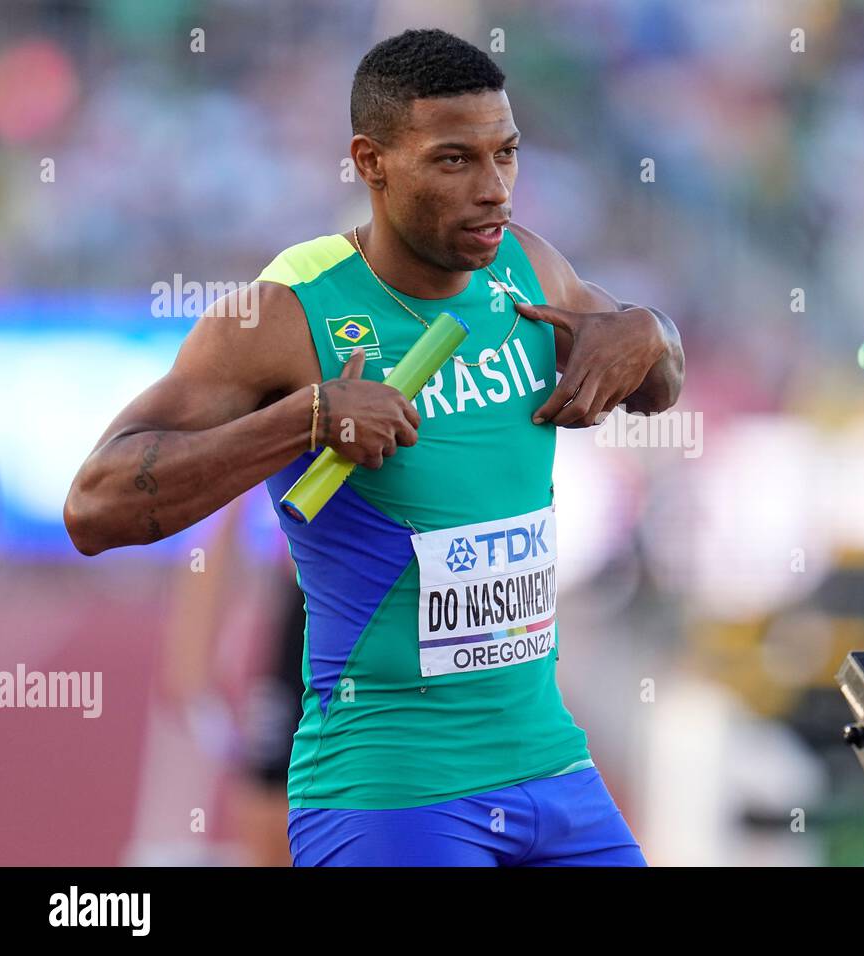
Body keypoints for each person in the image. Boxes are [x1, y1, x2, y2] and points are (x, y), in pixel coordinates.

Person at [63, 27, 684, 866]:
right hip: (393, 790)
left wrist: (648, 331)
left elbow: (660, 378)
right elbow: (94, 507)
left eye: (507, 155)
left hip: (550, 768)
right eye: (455, 161)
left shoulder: (532, 272)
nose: (495, 189)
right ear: (371, 161)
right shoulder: (286, 313)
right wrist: (307, 417)